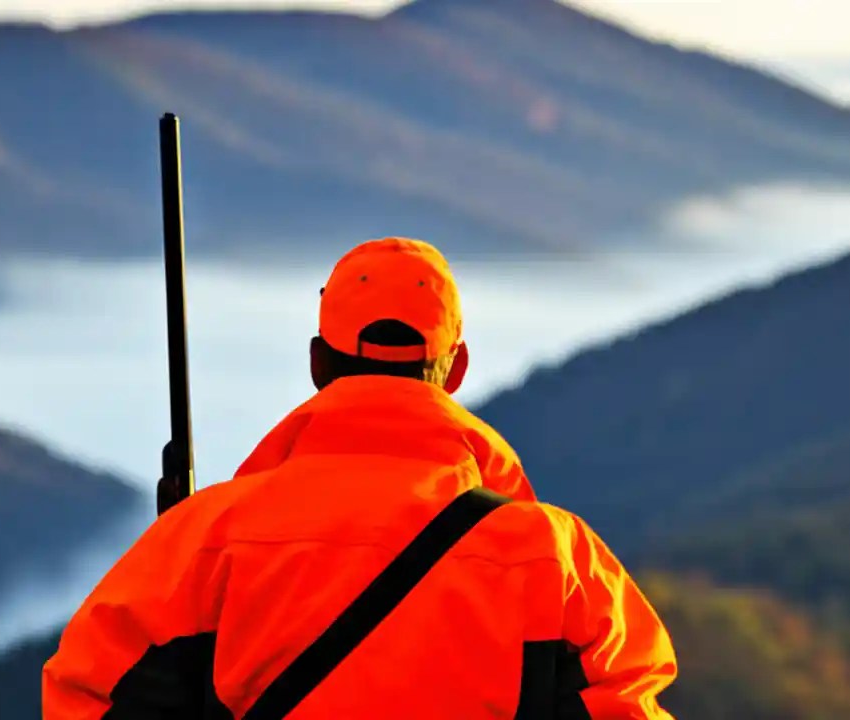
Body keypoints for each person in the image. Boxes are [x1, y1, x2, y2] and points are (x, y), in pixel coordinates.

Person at [43, 237, 677, 719]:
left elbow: (85, 695)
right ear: (454, 369)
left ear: (319, 363)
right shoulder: (554, 561)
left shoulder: (201, 540)